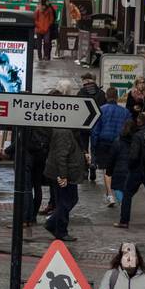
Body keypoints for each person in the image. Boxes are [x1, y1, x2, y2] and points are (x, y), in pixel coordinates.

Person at [44, 103, 87, 242]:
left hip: (68, 173)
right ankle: (58, 228)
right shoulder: (64, 132)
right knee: (67, 201)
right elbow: (61, 156)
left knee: (67, 201)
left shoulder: (70, 131)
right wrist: (63, 176)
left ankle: (56, 226)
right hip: (64, 174)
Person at [90, 88, 132, 207]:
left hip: (104, 143)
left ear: (106, 97)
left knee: (107, 170)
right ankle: (121, 195)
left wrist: (93, 147)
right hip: (120, 143)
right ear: (117, 97)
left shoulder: (100, 110)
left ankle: (110, 195)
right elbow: (130, 129)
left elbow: (95, 131)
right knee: (119, 168)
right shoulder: (125, 112)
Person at [76, 72, 107, 183]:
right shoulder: (101, 94)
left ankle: (85, 170)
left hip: (84, 124)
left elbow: (77, 109)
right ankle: (93, 164)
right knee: (94, 147)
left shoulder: (81, 93)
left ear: (86, 80)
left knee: (84, 147)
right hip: (96, 125)